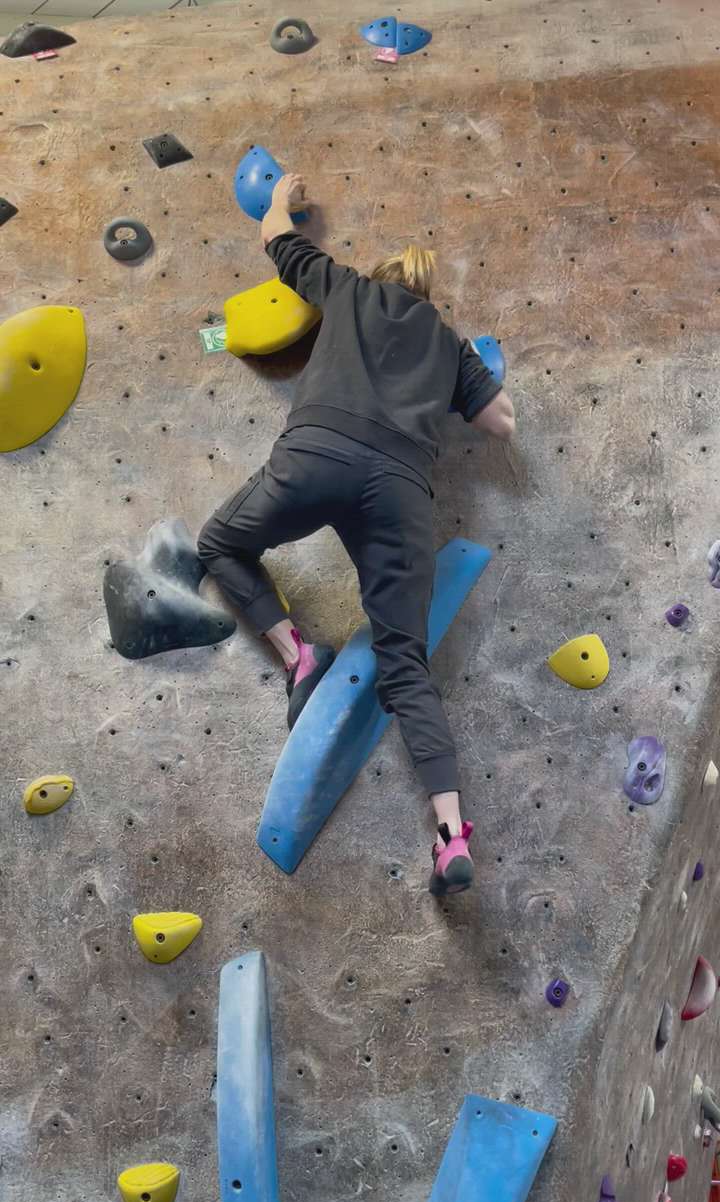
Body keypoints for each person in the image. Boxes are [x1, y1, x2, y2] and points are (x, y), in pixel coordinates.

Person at [198, 174, 516, 896]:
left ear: (378, 278)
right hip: (400, 490)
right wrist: (476, 378)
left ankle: (297, 653)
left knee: (219, 542)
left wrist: (283, 194)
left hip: (317, 457)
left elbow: (274, 234)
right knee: (406, 665)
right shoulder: (449, 343)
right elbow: (503, 425)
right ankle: (450, 835)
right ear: (431, 298)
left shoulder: (342, 288)